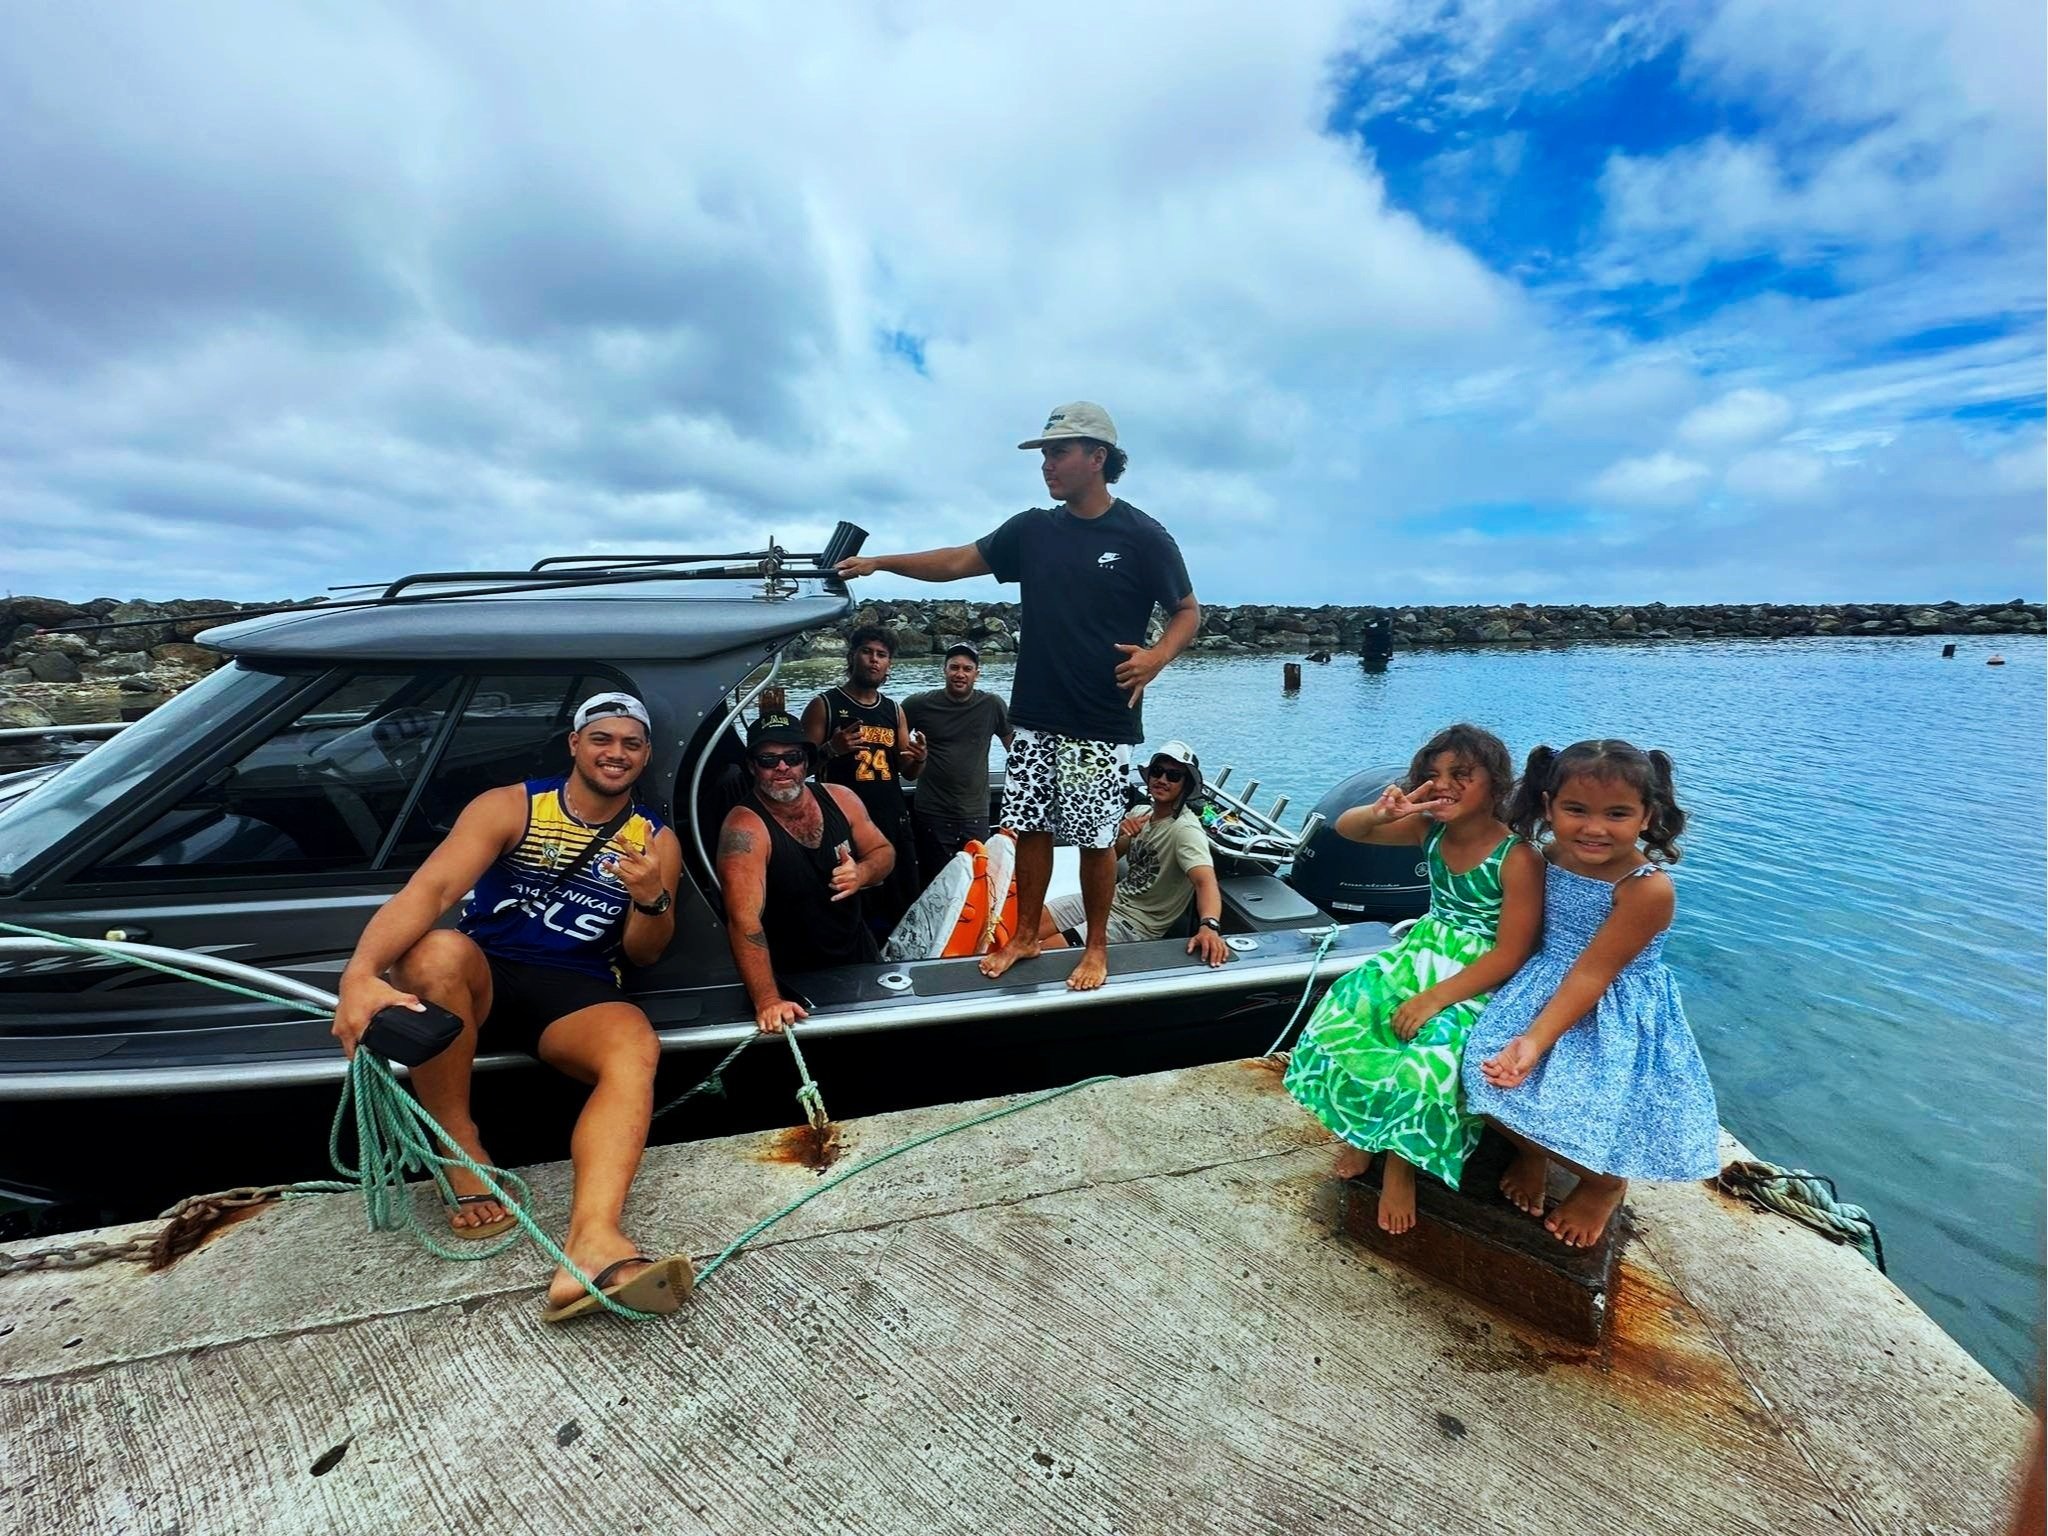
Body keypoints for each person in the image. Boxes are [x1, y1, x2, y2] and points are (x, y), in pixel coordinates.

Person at [329, 692, 692, 1322]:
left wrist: (652, 898)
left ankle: (593, 1242)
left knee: (634, 1045)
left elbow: (645, 953)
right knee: (436, 951)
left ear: (646, 757)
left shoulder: (654, 839)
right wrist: (358, 976)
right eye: (602, 738)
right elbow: (433, 888)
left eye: (631, 744)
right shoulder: (513, 805)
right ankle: (459, 1146)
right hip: (487, 971)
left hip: (575, 986)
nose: (616, 753)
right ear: (575, 744)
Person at [836, 401, 1198, 991]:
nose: (1046, 465)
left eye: (1057, 452)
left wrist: (1157, 658)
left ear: (1097, 457)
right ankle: (1026, 934)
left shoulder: (1141, 535)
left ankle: (1098, 947)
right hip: (1034, 716)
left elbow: (1188, 610)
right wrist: (881, 562)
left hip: (1099, 722)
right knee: (1029, 828)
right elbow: (956, 560)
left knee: (1094, 837)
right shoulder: (1032, 530)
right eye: (1044, 455)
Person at [1283, 724, 1543, 1234]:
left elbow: (1512, 952)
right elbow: (1349, 830)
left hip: (1476, 973)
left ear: (1496, 784)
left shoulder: (1518, 857)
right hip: (1422, 951)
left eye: (1461, 775)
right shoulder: (1430, 830)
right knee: (1351, 1008)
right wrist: (1383, 813)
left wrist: (1434, 1000)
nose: (1443, 784)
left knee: (1433, 1054)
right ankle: (1361, 1130)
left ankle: (1399, 1165)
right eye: (1433, 775)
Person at [1461, 740, 1721, 1249]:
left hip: (1611, 1004)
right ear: (1547, 805)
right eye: (1575, 810)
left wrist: (1534, 1042)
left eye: (1617, 814)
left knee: (1580, 1105)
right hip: (1543, 982)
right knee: (1479, 1075)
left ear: (1648, 816)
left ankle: (1604, 1185)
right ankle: (1531, 1153)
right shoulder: (1548, 855)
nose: (1594, 828)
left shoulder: (1646, 889)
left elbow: (1592, 974)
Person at [716, 709, 897, 1032]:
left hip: (858, 955)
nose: (782, 767)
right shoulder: (744, 829)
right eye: (768, 760)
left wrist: (862, 873)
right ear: (752, 767)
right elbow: (744, 921)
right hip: (794, 977)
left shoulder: (842, 797)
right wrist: (768, 999)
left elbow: (884, 853)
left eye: (793, 757)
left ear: (806, 761)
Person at [1031, 740, 1230, 968]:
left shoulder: (1185, 831)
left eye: (1174, 776)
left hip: (1134, 923)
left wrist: (1210, 926)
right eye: (1158, 772)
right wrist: (1122, 833)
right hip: (1109, 898)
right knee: (1027, 925)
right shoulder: (1141, 812)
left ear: (1185, 785)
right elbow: (1109, 857)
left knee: (1048, 950)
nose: (1162, 780)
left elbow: (1205, 882)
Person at [803, 626, 925, 934]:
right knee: (852, 907)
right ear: (852, 656)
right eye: (867, 652)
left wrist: (920, 756)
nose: (874, 660)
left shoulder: (893, 710)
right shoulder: (824, 705)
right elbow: (797, 769)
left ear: (889, 665)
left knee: (902, 905)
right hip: (844, 825)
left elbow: (907, 772)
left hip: (892, 822)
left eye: (881, 655)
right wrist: (832, 748)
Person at [903, 641, 1012, 882]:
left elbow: (1014, 750)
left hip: (976, 813)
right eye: (954, 667)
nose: (960, 674)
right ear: (944, 670)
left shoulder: (993, 705)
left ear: (977, 674)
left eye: (967, 668)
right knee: (936, 885)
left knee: (977, 884)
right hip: (932, 813)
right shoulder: (918, 704)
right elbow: (894, 745)